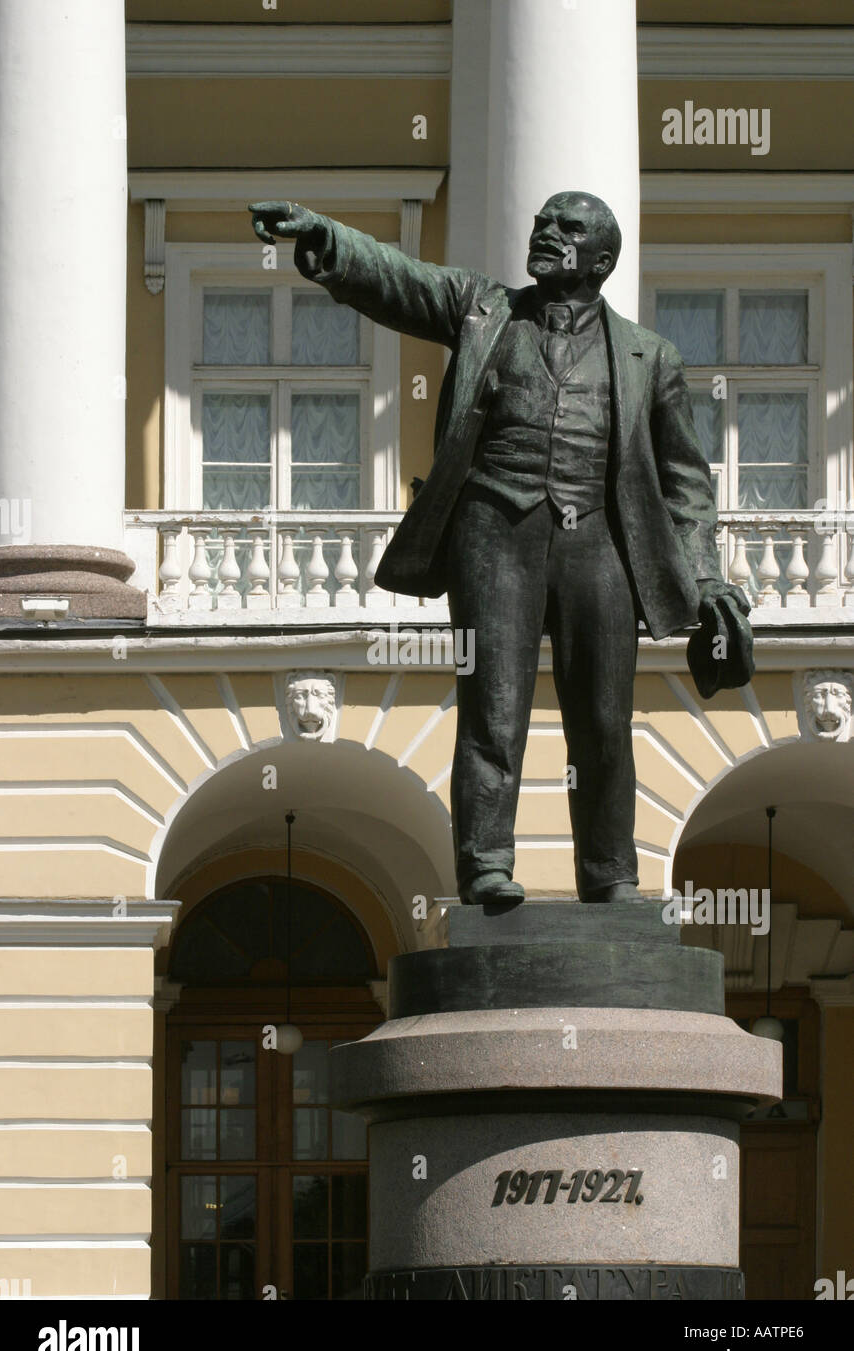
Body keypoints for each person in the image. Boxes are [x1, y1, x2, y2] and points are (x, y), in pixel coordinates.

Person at [251, 193, 750, 906]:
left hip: (601, 543)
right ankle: (486, 864)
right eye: (543, 221)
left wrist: (705, 573)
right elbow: (397, 280)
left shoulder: (651, 356)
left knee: (604, 719)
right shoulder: (480, 308)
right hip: (494, 528)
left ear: (602, 260)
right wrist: (328, 239)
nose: (546, 232)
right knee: (492, 707)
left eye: (568, 228)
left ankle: (610, 876)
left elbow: (685, 481)